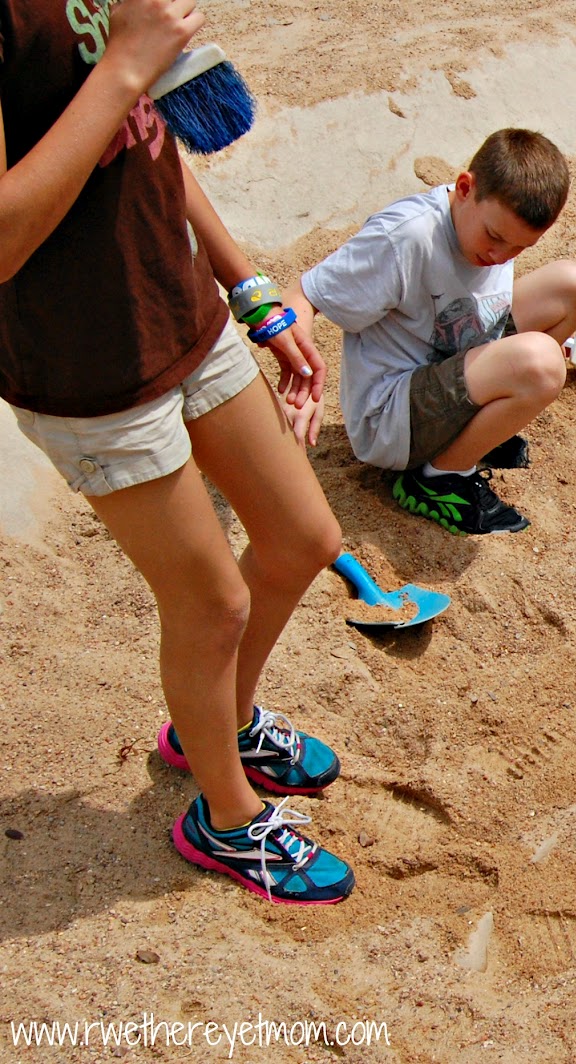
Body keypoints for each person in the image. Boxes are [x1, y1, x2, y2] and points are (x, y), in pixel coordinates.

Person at [1, 0, 354, 902]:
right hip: (89, 363)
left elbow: (150, 126)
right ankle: (226, 822)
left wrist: (250, 287)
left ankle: (217, 726)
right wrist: (122, 64)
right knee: (213, 607)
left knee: (303, 539)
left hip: (182, 304)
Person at [287, 128, 576, 535]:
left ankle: (471, 435)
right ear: (464, 187)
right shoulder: (406, 237)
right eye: (494, 237)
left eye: (520, 249)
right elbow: (302, 294)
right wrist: (301, 374)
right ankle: (438, 479)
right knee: (541, 364)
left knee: (575, 288)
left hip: (457, 355)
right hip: (394, 418)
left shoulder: (487, 229)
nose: (500, 257)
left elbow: (493, 274)